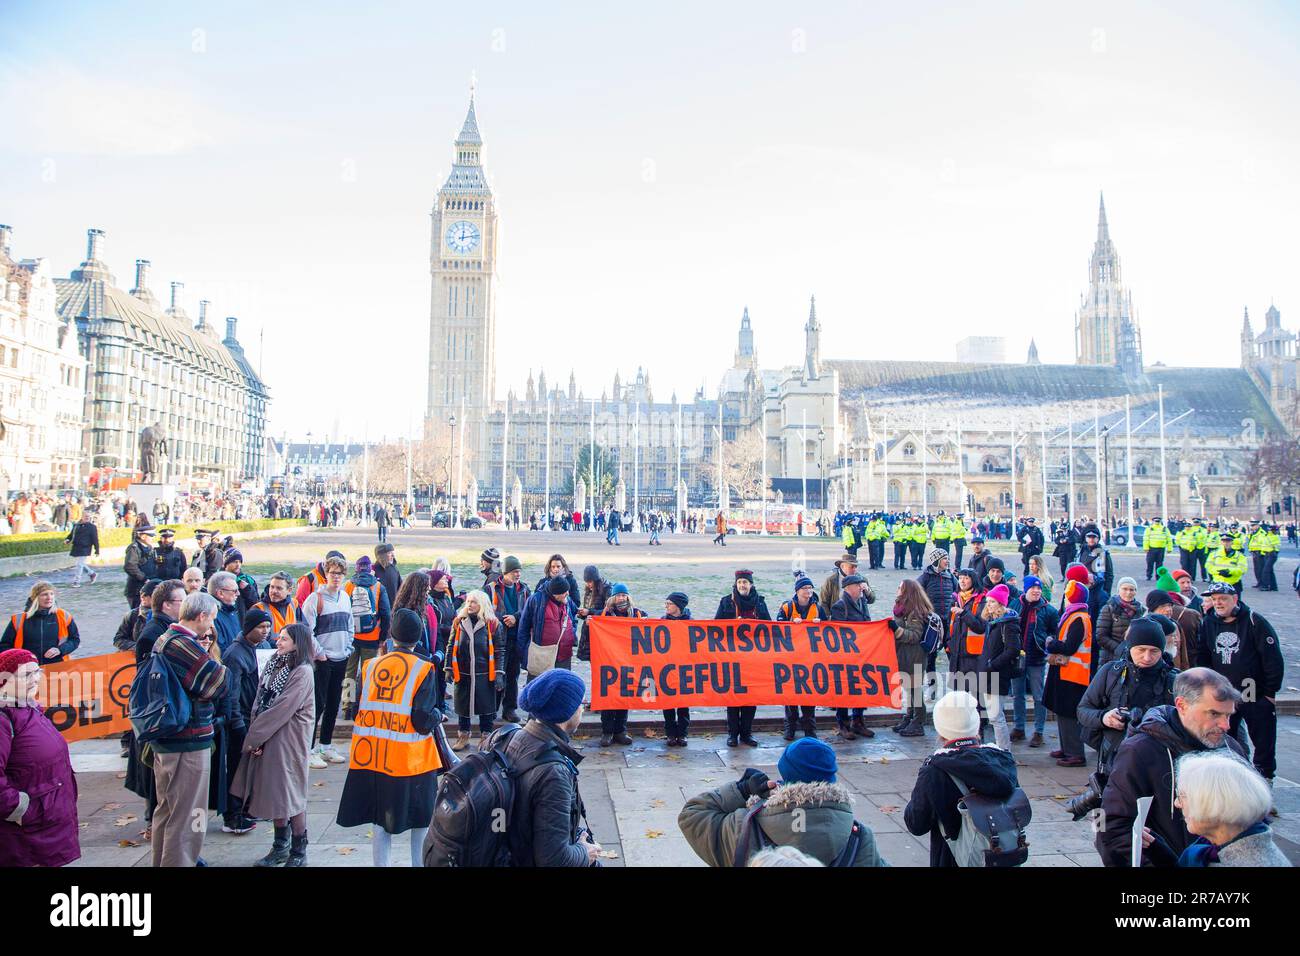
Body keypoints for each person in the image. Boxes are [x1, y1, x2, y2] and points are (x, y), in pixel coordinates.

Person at [1095, 668, 1245, 867]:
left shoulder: (1231, 748)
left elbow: (1254, 817)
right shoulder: (1140, 751)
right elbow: (1110, 826)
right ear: (1182, 705)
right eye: (1214, 714)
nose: (1225, 725)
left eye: (1228, 715)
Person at [679, 737, 887, 867]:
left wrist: (740, 790)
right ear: (831, 779)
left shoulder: (743, 828)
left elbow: (692, 814)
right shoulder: (860, 841)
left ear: (784, 776)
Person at [338, 608, 443, 866]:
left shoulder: (370, 665)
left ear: (392, 635)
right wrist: (438, 715)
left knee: (380, 820)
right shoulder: (423, 668)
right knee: (421, 819)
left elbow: (355, 707)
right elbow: (421, 721)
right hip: (412, 759)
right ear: (418, 637)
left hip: (372, 756)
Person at [147, 591, 229, 867]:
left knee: (168, 812)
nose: (212, 627)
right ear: (202, 616)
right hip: (187, 740)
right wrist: (213, 662)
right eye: (212, 620)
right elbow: (220, 682)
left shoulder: (165, 638)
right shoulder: (183, 644)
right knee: (188, 817)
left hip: (169, 740)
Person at [231, 622, 317, 868]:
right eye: (279, 638)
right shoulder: (273, 664)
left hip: (288, 741)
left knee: (291, 794)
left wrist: (255, 737)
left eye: (284, 639)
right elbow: (260, 698)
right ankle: (280, 847)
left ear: (297, 644)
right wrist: (257, 732)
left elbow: (283, 708)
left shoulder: (302, 671)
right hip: (269, 736)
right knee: (274, 794)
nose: (278, 642)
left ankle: (299, 850)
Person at [903, 690, 1020, 867]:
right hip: (1002, 855)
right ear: (976, 725)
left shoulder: (934, 770)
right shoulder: (1002, 759)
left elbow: (916, 824)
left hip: (954, 858)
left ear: (941, 730)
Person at [502, 669, 601, 867]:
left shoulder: (511, 738)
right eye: (579, 704)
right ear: (566, 713)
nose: (582, 710)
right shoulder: (553, 772)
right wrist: (585, 852)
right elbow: (553, 859)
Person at [1194, 582, 1284, 800]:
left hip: (1254, 692)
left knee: (1262, 739)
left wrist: (1271, 691)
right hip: (1223, 695)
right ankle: (1230, 783)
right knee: (1222, 738)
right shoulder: (1209, 623)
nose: (1218, 603)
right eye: (1214, 599)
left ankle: (1264, 785)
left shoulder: (1254, 622)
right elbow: (1203, 656)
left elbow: (1272, 658)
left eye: (1222, 599)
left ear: (1235, 598)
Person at [0, 648, 81, 867]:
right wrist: (18, 808)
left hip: (48, 820)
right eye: (26, 675)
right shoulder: (4, 718)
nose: (35, 678)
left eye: (37, 672)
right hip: (25, 830)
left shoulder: (31, 709)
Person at [1077, 617, 1179, 788]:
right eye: (1141, 650)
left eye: (1154, 651)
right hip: (1113, 760)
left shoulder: (1175, 680)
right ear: (1130, 647)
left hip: (1159, 762)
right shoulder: (1110, 672)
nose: (1147, 657)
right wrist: (1104, 718)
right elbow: (1083, 710)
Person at [1173, 752, 1290, 867]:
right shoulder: (1231, 845)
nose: (1177, 803)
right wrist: (1156, 844)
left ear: (1214, 806)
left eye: (1182, 796)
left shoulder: (1249, 862)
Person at [218, 607, 273, 835]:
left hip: (258, 717)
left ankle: (250, 806)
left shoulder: (265, 647)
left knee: (255, 766)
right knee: (237, 768)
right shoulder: (234, 654)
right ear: (249, 628)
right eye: (261, 627)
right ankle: (232, 814)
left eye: (268, 627)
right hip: (240, 719)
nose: (266, 632)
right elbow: (231, 693)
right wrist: (238, 724)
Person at [300, 554, 358, 769]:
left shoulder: (344, 597)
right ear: (326, 574)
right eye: (333, 573)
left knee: (334, 703)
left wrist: (349, 646)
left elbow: (350, 624)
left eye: (340, 574)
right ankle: (308, 748)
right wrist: (320, 653)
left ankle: (325, 745)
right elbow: (307, 630)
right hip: (323, 659)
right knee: (318, 704)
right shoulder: (315, 599)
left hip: (341, 655)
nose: (336, 577)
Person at [1042, 577, 1092, 767]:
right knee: (1063, 712)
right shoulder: (1074, 615)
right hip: (1065, 671)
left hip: (1072, 674)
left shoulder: (1079, 618)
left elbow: (1069, 646)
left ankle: (1075, 753)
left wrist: (1051, 643)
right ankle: (1067, 748)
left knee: (1069, 714)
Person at [446, 590, 505, 750]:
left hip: (484, 674)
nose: (469, 605)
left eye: (473, 602)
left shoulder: (492, 624)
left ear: (482, 604)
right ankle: (463, 736)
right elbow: (451, 645)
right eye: (468, 601)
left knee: (486, 708)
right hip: (463, 672)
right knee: (462, 707)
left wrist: (499, 673)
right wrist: (448, 667)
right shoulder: (459, 621)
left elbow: (499, 649)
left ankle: (485, 738)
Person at [716, 570, 768, 747]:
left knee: (750, 698)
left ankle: (746, 733)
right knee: (733, 698)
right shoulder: (726, 602)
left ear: (751, 585)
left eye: (745, 582)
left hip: (753, 658)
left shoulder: (760, 603)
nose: (742, 586)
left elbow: (768, 627)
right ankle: (732, 734)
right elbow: (716, 626)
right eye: (739, 583)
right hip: (732, 657)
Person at [594, 583, 647, 746]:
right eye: (618, 595)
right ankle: (607, 732)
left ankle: (620, 730)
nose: (621, 598)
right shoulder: (605, 614)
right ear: (613, 597)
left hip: (629, 662)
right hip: (609, 661)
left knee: (624, 697)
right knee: (609, 697)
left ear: (628, 597)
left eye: (624, 595)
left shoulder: (637, 613)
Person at [970, 584, 1021, 750]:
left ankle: (1004, 751)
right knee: (994, 717)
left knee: (996, 717)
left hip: (997, 675)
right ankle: (1002, 749)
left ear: (1001, 604)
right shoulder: (994, 622)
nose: (988, 604)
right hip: (989, 673)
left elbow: (1013, 650)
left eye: (992, 602)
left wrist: (992, 665)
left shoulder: (1008, 624)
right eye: (988, 601)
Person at [342, 555, 392, 720]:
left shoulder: (348, 585)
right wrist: (383, 637)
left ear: (356, 568)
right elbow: (385, 613)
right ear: (371, 569)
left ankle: (347, 707)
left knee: (349, 672)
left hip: (351, 637)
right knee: (368, 672)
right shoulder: (378, 586)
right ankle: (363, 706)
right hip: (372, 637)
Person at [1011, 575, 1057, 747]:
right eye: (1033, 588)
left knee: (1038, 696)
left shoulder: (1048, 610)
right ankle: (1019, 727)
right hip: (1017, 658)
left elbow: (1055, 630)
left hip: (1036, 658)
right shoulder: (1015, 604)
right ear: (1026, 589)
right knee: (1018, 695)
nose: (1036, 591)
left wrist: (1049, 641)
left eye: (1039, 588)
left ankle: (1039, 731)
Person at [830, 574, 876, 740]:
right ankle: (843, 723)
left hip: (861, 654)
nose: (861, 588)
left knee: (861, 687)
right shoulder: (840, 606)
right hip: (845, 655)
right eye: (858, 585)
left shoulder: (862, 602)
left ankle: (858, 720)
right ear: (849, 588)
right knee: (843, 689)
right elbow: (838, 630)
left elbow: (868, 621)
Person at [778, 576, 823, 740]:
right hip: (791, 657)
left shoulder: (818, 608)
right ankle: (790, 726)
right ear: (797, 591)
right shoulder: (787, 607)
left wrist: (821, 624)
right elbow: (777, 626)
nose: (808, 591)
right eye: (805, 588)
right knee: (790, 694)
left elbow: (829, 629)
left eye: (810, 588)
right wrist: (789, 623)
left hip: (810, 658)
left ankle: (810, 728)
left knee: (809, 693)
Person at [487, 556, 530, 723]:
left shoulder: (524, 590)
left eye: (519, 571)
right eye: (514, 572)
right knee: (497, 674)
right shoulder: (491, 589)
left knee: (513, 675)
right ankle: (492, 708)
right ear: (505, 573)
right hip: (498, 639)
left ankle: (509, 708)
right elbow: (486, 609)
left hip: (517, 638)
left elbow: (528, 610)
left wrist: (515, 617)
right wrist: (504, 619)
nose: (517, 574)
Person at [890, 578, 934, 738]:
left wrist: (896, 630)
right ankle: (909, 717)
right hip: (904, 653)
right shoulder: (903, 606)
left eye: (901, 587)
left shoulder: (915, 610)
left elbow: (915, 635)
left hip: (914, 654)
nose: (898, 589)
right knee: (909, 688)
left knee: (915, 689)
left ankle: (918, 722)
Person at [1, 582, 80, 664]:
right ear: (35, 598)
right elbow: (4, 646)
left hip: (58, 666)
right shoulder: (18, 619)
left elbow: (75, 640)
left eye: (52, 594)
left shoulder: (64, 615)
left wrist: (60, 650)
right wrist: (20, 658)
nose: (49, 598)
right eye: (44, 594)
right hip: (26, 668)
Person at [659, 591, 693, 746]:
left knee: (683, 703)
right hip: (667, 667)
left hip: (684, 667)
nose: (666, 606)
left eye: (669, 603)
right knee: (668, 703)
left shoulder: (690, 622)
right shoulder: (662, 621)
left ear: (678, 606)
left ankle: (683, 733)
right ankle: (670, 734)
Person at [1095, 576, 1145, 668]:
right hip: (1110, 659)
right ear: (1119, 590)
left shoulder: (1141, 610)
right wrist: (1120, 649)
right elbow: (1101, 636)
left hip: (1133, 659)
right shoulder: (1109, 608)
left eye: (1132, 589)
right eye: (1125, 589)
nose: (1128, 592)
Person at [1145, 589, 1196, 670]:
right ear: (1153, 609)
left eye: (1169, 605)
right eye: (1163, 606)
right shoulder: (1144, 628)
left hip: (1175, 673)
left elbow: (1183, 655)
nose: (1168, 609)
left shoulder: (1175, 625)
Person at [123, 522, 157, 609]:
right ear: (142, 536)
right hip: (136, 588)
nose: (152, 538)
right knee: (137, 613)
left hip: (145, 586)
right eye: (150, 536)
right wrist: (144, 578)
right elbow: (130, 566)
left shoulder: (148, 547)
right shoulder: (134, 548)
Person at [207, 570, 244, 652]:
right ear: (220, 593)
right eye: (234, 591)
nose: (238, 594)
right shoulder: (212, 615)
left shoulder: (231, 611)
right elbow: (220, 649)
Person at [64, 510, 100, 587]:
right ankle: (92, 573)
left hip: (85, 547)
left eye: (89, 517)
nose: (87, 518)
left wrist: (97, 550)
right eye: (86, 516)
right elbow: (71, 535)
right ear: (82, 516)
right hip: (76, 546)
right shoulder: (76, 525)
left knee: (79, 564)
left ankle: (76, 581)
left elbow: (95, 539)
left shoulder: (92, 527)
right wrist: (67, 539)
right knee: (80, 564)